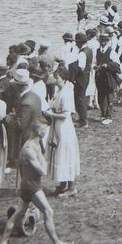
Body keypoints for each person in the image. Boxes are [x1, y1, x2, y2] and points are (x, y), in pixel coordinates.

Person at [0, 125, 70, 244]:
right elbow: (43, 171)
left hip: (28, 184)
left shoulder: (33, 144)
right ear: (39, 132)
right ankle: (57, 243)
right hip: (32, 186)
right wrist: (43, 159)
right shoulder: (29, 149)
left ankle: (3, 243)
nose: (45, 132)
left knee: (17, 214)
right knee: (48, 211)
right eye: (44, 130)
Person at [48, 67, 82, 197]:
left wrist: (51, 114)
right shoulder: (59, 91)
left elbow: (65, 115)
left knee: (66, 154)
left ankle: (71, 187)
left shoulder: (66, 93)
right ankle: (63, 184)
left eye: (57, 78)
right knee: (60, 154)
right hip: (58, 127)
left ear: (64, 78)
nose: (55, 80)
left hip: (64, 127)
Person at [94, 31, 120, 125]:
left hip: (109, 77)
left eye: (105, 41)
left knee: (109, 96)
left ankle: (109, 116)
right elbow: (94, 62)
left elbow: (117, 65)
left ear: (107, 41)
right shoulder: (97, 51)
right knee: (101, 96)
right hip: (100, 76)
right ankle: (103, 113)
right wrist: (95, 66)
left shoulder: (111, 52)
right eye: (101, 41)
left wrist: (108, 65)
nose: (103, 43)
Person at [69, 31, 94, 127]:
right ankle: (82, 118)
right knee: (81, 97)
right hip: (86, 76)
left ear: (80, 42)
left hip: (81, 77)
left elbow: (80, 67)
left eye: (77, 42)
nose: (76, 44)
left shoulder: (82, 53)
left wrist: (73, 77)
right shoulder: (89, 50)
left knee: (79, 98)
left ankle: (83, 120)